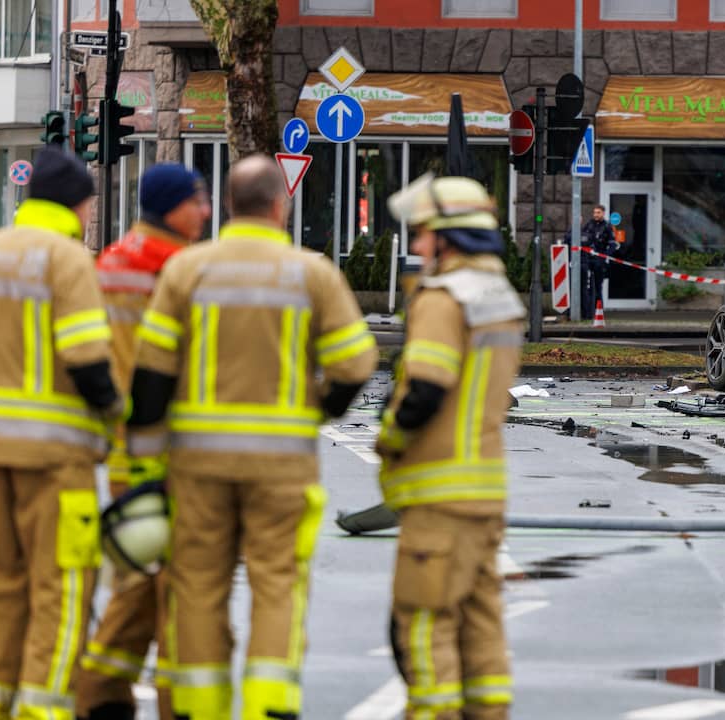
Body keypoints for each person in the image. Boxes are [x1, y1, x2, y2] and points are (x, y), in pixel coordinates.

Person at [123, 154, 377, 720]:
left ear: (229, 206)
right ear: (280, 205)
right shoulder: (310, 272)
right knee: (277, 584)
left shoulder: (187, 272)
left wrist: (144, 468)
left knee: (196, 586)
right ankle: (270, 705)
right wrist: (317, 413)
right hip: (281, 468)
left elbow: (152, 378)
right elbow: (355, 365)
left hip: (197, 467)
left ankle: (197, 707)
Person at [0, 146, 121, 720]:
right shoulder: (68, 260)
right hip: (58, 461)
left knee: (2, 593)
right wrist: (117, 420)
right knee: (61, 595)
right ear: (79, 204)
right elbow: (89, 362)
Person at [378, 173, 525, 719]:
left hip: (439, 493)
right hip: (484, 493)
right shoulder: (501, 297)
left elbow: (425, 388)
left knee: (425, 623)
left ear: (450, 237)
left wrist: (388, 439)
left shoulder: (444, 298)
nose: (417, 246)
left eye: (424, 234)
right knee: (481, 622)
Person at [74, 164, 211, 720]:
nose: (204, 211)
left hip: (124, 449)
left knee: (138, 575)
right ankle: (178, 703)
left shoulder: (108, 261)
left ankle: (102, 690)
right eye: (197, 201)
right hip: (173, 448)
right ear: (172, 207)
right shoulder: (181, 269)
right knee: (183, 583)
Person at [580, 204, 619, 314]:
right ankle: (588, 311)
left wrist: (605, 255)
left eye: (598, 213)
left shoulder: (607, 226)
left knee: (597, 286)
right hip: (588, 259)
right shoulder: (589, 224)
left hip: (599, 260)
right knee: (587, 286)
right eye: (594, 212)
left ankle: (599, 312)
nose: (596, 215)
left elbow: (613, 244)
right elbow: (582, 238)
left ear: (603, 213)